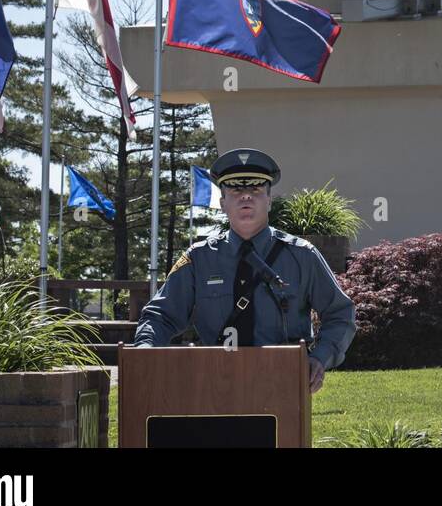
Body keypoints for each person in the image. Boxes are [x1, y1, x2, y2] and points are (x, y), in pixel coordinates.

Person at [134, 148, 355, 393]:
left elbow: (340, 313)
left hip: (284, 384)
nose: (246, 197)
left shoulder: (302, 255)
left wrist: (319, 358)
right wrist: (145, 353)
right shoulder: (199, 259)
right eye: (236, 190)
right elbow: (160, 316)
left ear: (269, 200)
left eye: (256, 190)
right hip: (214, 385)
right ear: (223, 202)